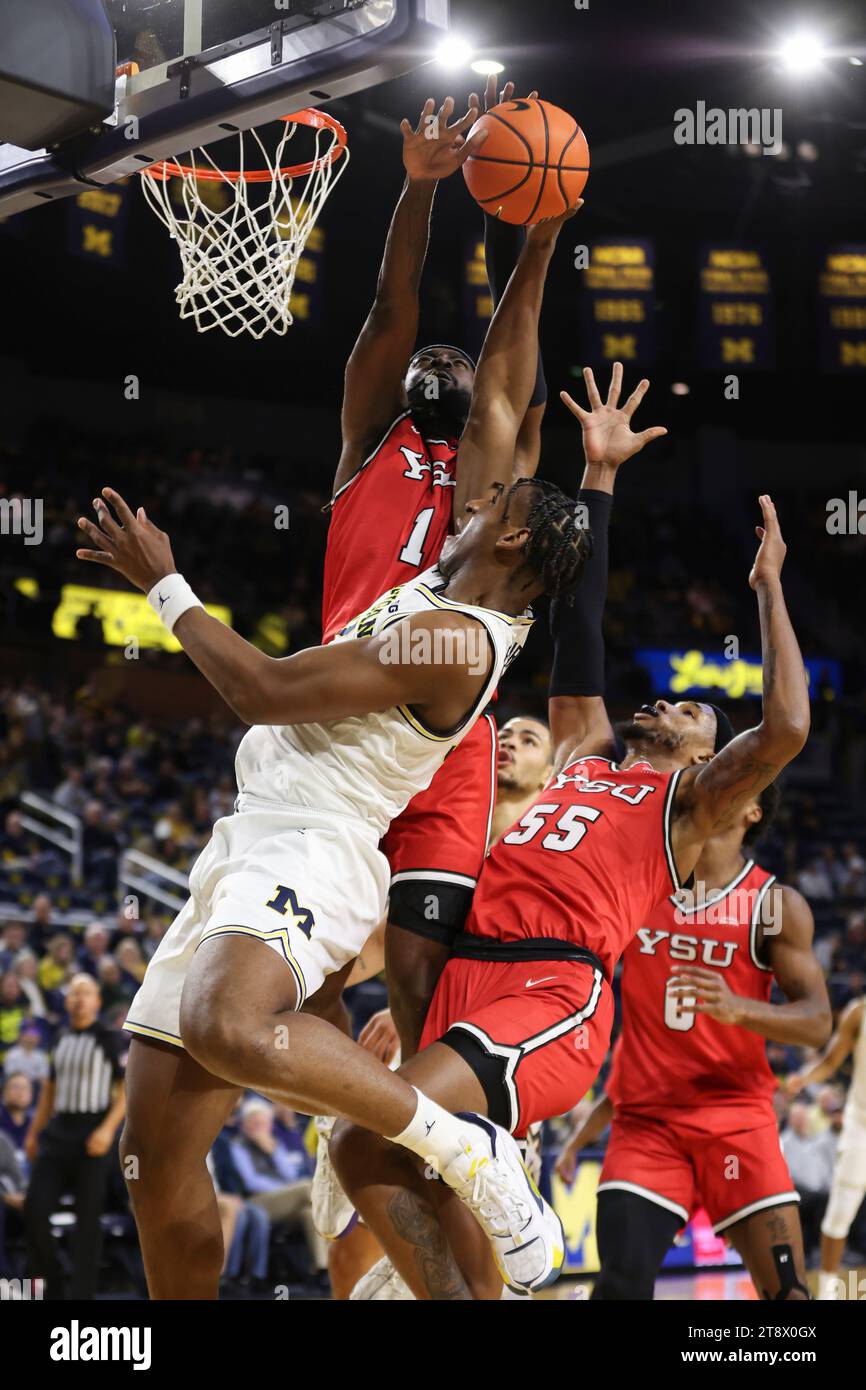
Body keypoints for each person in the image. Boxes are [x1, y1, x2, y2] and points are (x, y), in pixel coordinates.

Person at [74, 209, 590, 1299]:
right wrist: (526, 235)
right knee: (157, 1158)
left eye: (487, 503)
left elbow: (258, 686)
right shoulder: (434, 557)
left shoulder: (453, 630)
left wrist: (164, 581)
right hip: (254, 829)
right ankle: (369, 1115)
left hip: (321, 829)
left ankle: (457, 1147)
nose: (472, 502)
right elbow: (464, 363)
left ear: (500, 529)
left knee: (284, 1005)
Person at [331, 363, 811, 1300]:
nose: (672, 699)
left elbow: (786, 728)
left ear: (711, 768)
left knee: (368, 1132)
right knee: (384, 1169)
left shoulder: (685, 810)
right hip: (471, 965)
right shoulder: (585, 748)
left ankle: (509, 1190)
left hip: (551, 990)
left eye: (697, 713)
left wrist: (770, 590)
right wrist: (600, 477)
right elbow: (580, 612)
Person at [322, 78, 555, 1062]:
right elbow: (390, 307)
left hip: (452, 736)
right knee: (319, 966)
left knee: (417, 980)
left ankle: (422, 1145)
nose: (440, 362)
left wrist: (539, 234)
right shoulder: (369, 438)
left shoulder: (490, 478)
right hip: (350, 705)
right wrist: (417, 188)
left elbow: (511, 367)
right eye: (431, 359)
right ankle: (333, 1098)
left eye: (460, 362)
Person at [555, 787, 831, 1302]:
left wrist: (740, 1008)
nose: (713, 782)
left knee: (791, 1296)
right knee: (619, 1287)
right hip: (648, 1127)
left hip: (737, 1122)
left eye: (735, 778)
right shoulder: (638, 886)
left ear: (753, 811)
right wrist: (578, 1138)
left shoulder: (774, 904)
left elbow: (817, 1021)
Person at [23, 974, 126, 1299]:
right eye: (74, 994)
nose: (79, 999)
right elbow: (49, 1090)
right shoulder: (60, 1037)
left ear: (97, 1001)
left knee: (87, 1222)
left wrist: (108, 1129)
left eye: (86, 993)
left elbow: (126, 1089)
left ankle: (82, 1294)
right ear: (67, 1001)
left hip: (93, 1132)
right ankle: (52, 1287)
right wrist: (33, 1132)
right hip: (58, 1133)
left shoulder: (108, 1039)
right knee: (35, 1210)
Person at [785, 994, 866, 1298]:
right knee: (840, 1212)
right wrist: (803, 1079)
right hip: (861, 1125)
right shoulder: (859, 1012)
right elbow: (831, 1061)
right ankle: (829, 1290)